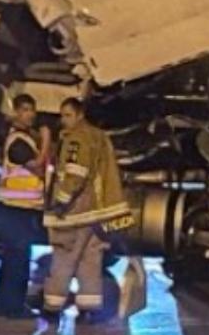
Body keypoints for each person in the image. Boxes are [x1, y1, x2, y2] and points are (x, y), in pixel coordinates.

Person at [44, 97, 142, 319]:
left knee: (63, 259)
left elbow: (75, 175)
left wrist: (59, 202)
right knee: (90, 260)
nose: (63, 121)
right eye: (62, 116)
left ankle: (52, 306)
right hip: (97, 215)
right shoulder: (99, 136)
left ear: (80, 115)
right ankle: (88, 309)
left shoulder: (76, 139)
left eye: (68, 115)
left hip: (74, 213)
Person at [0, 93, 52, 318]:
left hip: (18, 209)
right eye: (25, 110)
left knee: (12, 259)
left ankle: (2, 303)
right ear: (15, 112)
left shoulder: (24, 138)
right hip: (15, 209)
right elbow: (37, 167)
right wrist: (45, 139)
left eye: (32, 110)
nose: (30, 115)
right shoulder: (17, 141)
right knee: (18, 261)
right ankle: (13, 307)